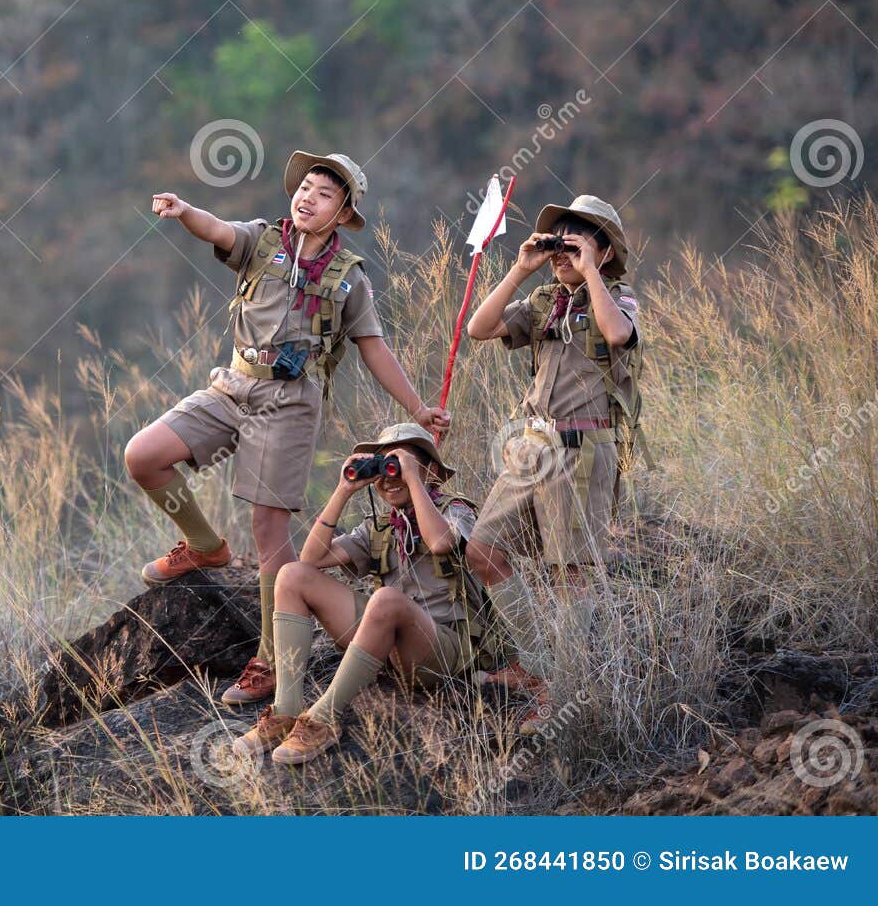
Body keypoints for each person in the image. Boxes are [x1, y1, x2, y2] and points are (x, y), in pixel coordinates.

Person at [126, 151, 451, 706]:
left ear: (344, 212)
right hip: (233, 384)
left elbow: (375, 349)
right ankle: (205, 546)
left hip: (291, 404)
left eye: (324, 193)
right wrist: (184, 211)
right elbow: (218, 229)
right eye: (304, 186)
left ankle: (272, 660)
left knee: (269, 529)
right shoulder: (261, 240)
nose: (307, 197)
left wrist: (419, 409)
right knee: (144, 455)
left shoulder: (350, 281)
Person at [461, 195, 644, 733]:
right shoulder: (544, 301)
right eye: (556, 238)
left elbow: (617, 336)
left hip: (583, 449)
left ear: (605, 250)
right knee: (483, 551)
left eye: (576, 240)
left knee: (571, 576)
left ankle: (562, 691)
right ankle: (538, 664)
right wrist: (522, 267)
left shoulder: (620, 298)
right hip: (531, 446)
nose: (562, 249)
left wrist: (590, 274)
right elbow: (479, 327)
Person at [232, 423, 492, 763]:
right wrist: (344, 490)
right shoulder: (379, 527)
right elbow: (311, 560)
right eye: (383, 468)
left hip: (442, 652)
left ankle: (323, 718)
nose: (390, 476)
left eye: (400, 464)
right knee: (292, 576)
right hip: (386, 648)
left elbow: (441, 543)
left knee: (385, 600)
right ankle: (285, 712)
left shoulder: (455, 511)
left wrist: (414, 480)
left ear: (432, 472)